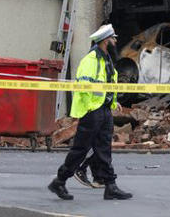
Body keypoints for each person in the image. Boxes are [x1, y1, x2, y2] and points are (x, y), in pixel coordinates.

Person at [48, 24, 132, 201]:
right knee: (81, 149)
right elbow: (84, 87)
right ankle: (60, 180)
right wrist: (91, 107)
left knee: (104, 149)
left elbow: (109, 83)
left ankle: (110, 186)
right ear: (105, 41)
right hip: (93, 111)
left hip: (104, 110)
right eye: (113, 38)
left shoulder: (106, 59)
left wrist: (113, 101)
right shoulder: (91, 60)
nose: (116, 41)